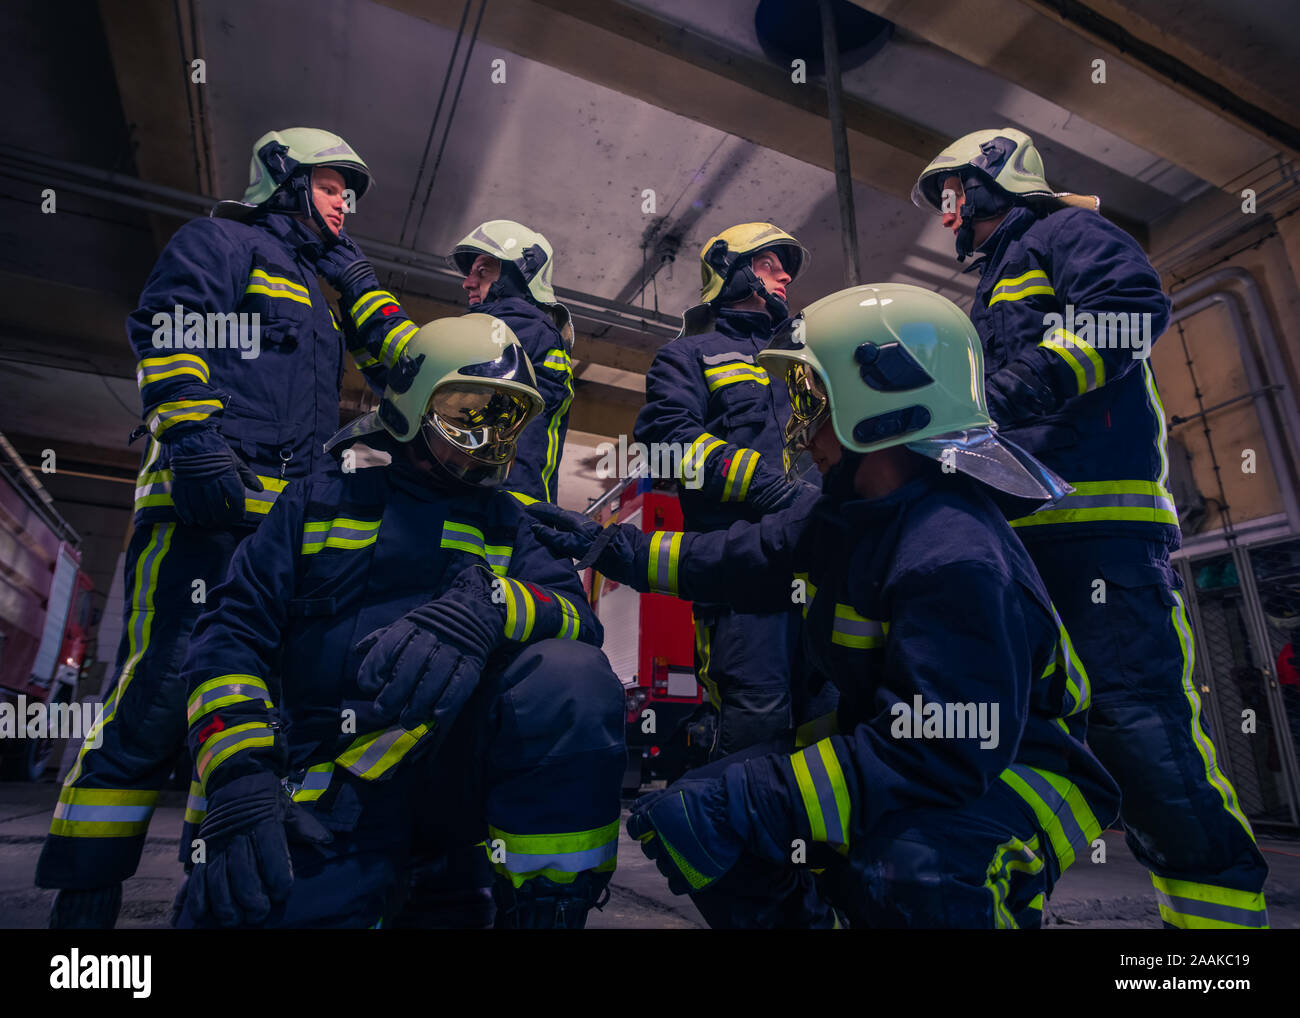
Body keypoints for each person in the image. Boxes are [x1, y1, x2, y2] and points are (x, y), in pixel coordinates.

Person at [528, 283, 1121, 928]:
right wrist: (606, 547)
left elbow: (946, 752)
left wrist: (766, 796)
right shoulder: (846, 513)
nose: (798, 425)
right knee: (689, 814)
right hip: (905, 749)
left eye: (813, 398)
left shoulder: (953, 554)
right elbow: (739, 558)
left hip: (1018, 770)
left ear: (884, 403)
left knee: (910, 864)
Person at [912, 127, 1269, 929]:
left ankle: (1216, 947)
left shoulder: (1065, 233)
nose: (946, 217)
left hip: (1101, 531)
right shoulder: (997, 276)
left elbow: (1130, 311)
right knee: (1030, 732)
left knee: (1137, 728)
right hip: (1030, 542)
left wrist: (1011, 390)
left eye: (952, 195)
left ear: (993, 178)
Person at [37, 127, 393, 928]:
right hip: (205, 506)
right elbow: (170, 325)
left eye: (352, 194)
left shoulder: (320, 294)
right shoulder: (222, 241)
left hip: (276, 535)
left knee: (239, 707)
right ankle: (85, 897)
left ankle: (214, 890)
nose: (347, 205)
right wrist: (193, 439)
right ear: (287, 180)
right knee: (161, 691)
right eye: (335, 187)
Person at [175, 314, 625, 929]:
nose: (489, 439)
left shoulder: (512, 522)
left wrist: (492, 606)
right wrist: (240, 774)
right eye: (470, 416)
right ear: (415, 402)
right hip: (333, 789)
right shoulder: (316, 502)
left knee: (571, 673)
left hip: (456, 797)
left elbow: (578, 622)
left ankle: (545, 908)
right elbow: (229, 637)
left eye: (505, 420)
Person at [634, 223, 817, 760]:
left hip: (824, 571)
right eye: (767, 264)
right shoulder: (689, 356)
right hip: (745, 580)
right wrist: (770, 490)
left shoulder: (806, 358)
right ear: (731, 272)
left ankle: (817, 845)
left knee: (832, 711)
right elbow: (667, 443)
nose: (784, 275)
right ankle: (750, 841)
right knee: (756, 723)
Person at [446, 220, 575, 503]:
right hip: (509, 513)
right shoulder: (529, 332)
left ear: (519, 275)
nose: (467, 283)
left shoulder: (521, 330)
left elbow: (420, 381)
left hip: (502, 512)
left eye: (482, 271)